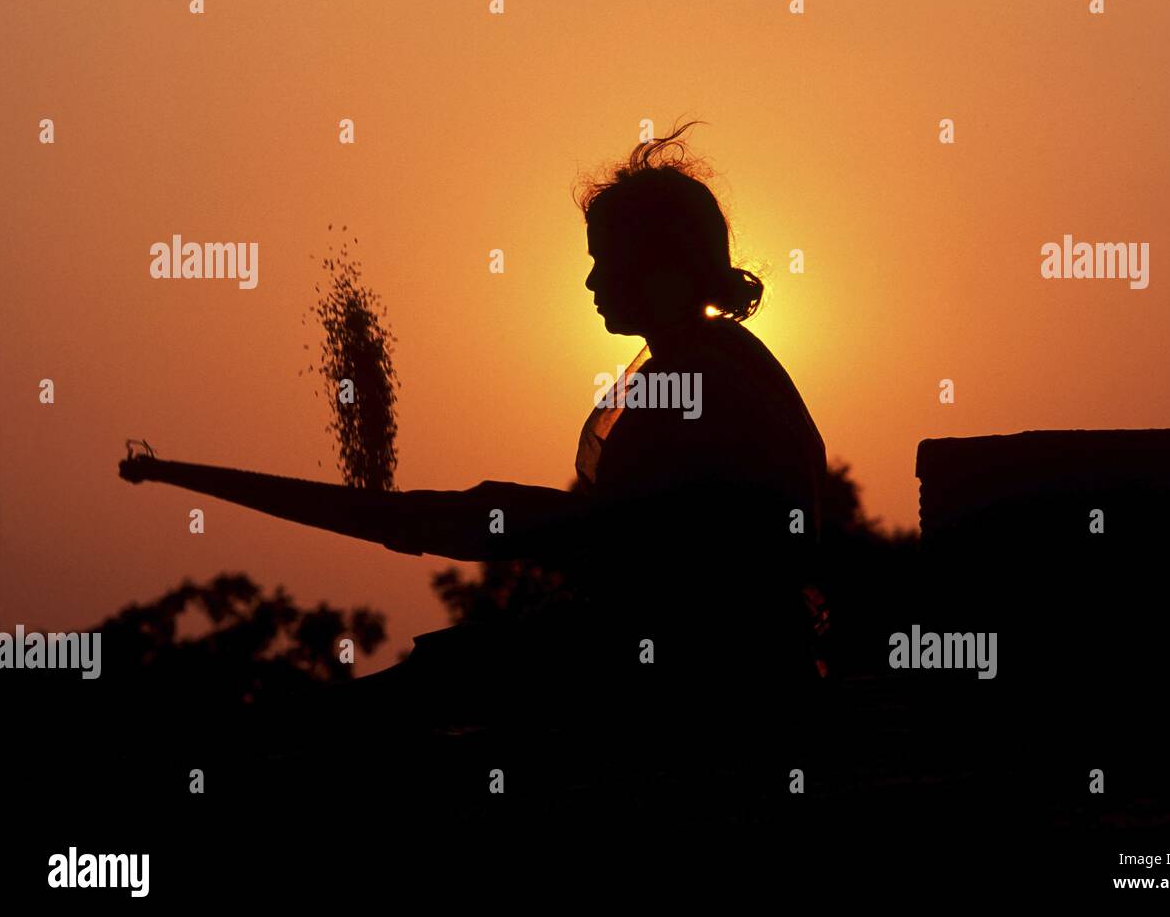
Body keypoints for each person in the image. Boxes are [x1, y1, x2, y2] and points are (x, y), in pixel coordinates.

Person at [119, 122, 828, 738]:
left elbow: (639, 544)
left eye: (603, 259)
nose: (589, 282)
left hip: (708, 679)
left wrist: (454, 519)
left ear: (662, 263)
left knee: (382, 706)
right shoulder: (706, 365)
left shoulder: (705, 382)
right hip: (711, 659)